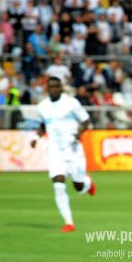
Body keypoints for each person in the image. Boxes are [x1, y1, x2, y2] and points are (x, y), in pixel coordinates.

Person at [32, 76, 96, 233]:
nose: (54, 89)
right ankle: (69, 222)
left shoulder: (71, 103)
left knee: (78, 186)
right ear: (47, 89)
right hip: (54, 150)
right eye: (51, 86)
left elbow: (86, 120)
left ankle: (87, 183)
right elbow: (43, 125)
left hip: (72, 149)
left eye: (57, 86)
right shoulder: (42, 106)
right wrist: (36, 137)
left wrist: (79, 133)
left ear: (61, 88)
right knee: (58, 184)